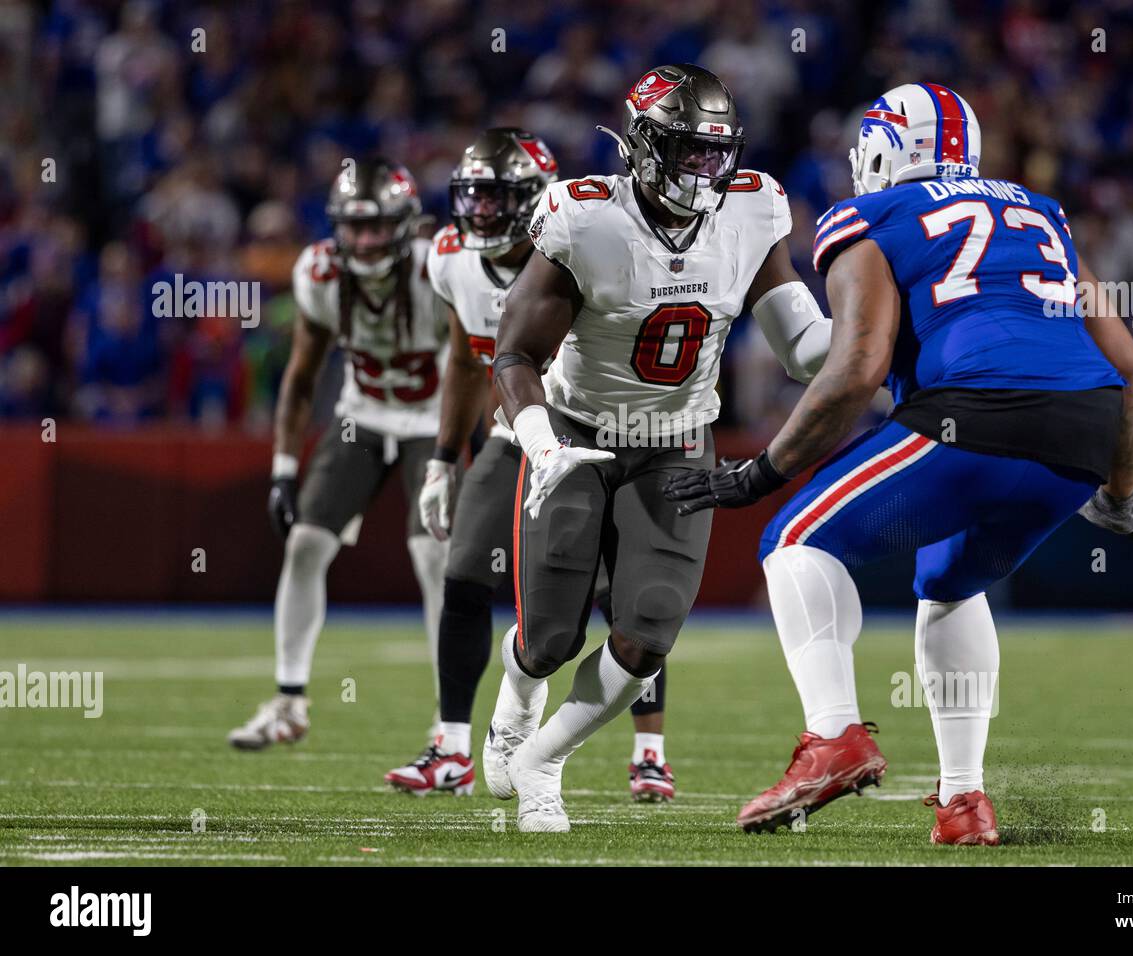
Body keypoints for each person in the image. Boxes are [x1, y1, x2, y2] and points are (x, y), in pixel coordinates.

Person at [665, 84, 1133, 845]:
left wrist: (761, 472)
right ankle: (963, 803)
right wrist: (1119, 493)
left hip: (976, 413)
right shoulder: (1039, 211)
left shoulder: (871, 214)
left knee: (795, 542)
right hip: (1083, 430)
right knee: (952, 584)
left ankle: (834, 736)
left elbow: (858, 367)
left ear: (887, 153)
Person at [487, 63, 835, 831]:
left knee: (646, 635)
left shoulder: (753, 210)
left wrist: (881, 337)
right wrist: (541, 445)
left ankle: (543, 759)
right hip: (578, 435)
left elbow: (803, 345)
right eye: (690, 151)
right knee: (547, 640)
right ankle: (516, 695)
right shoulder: (585, 218)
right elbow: (513, 356)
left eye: (719, 152)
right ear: (644, 146)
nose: (709, 170)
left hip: (678, 444)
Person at [381, 128, 675, 801]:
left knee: (617, 594)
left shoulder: (581, 245)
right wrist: (442, 458)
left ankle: (650, 749)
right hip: (512, 435)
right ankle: (453, 745)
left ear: (533, 199)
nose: (481, 210)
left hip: (591, 432)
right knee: (461, 575)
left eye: (498, 196)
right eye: (474, 195)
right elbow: (463, 358)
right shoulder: (451, 257)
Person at [227, 159, 450, 749]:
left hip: (433, 416)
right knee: (304, 544)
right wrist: (283, 469)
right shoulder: (321, 274)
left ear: (405, 226)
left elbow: (477, 367)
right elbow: (301, 378)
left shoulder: (441, 270)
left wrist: (465, 448)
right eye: (356, 227)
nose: (367, 240)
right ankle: (288, 702)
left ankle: (447, 723)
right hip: (363, 417)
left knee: (434, 559)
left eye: (378, 227)